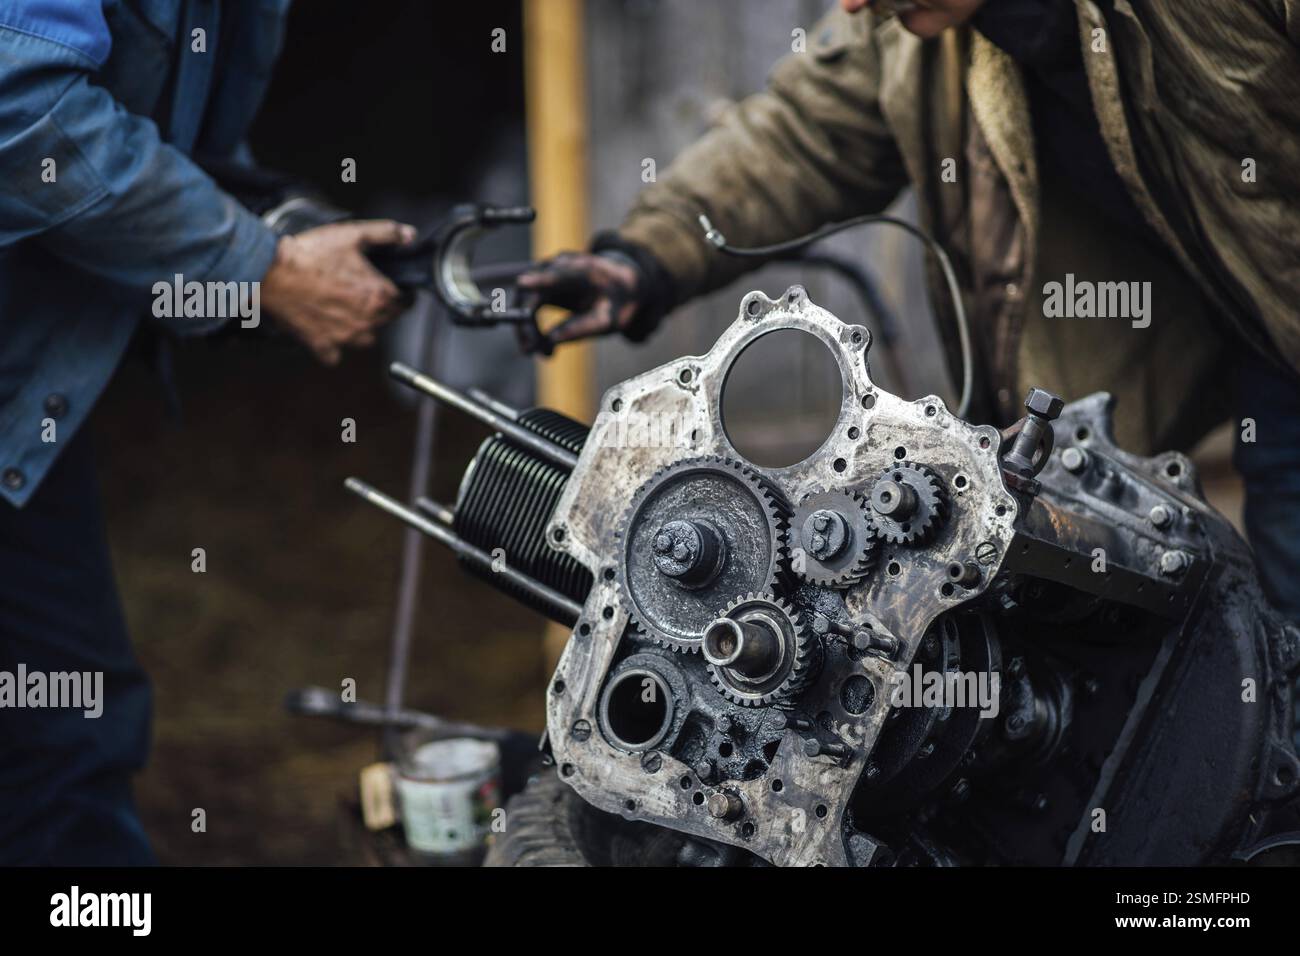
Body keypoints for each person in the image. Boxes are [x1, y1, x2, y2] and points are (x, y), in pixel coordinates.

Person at [519, 0, 1300, 626]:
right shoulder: (914, 31)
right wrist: (645, 258)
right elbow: (803, 135)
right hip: (1216, 319)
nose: (856, 4)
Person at [0, 0, 412, 863]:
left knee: (65, 731)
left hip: (23, 392)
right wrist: (264, 270)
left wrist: (275, 227)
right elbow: (21, 104)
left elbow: (157, 134)